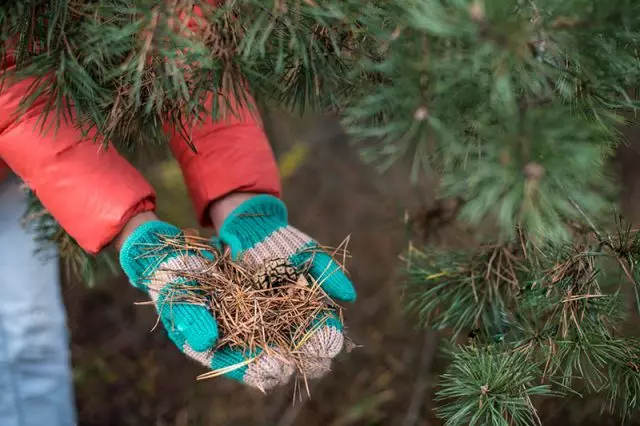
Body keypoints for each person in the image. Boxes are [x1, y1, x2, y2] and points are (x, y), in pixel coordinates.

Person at [0, 12, 356, 426]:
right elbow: (16, 86)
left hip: (17, 171)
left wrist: (242, 203)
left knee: (31, 335)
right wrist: (138, 234)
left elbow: (182, 31)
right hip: (22, 140)